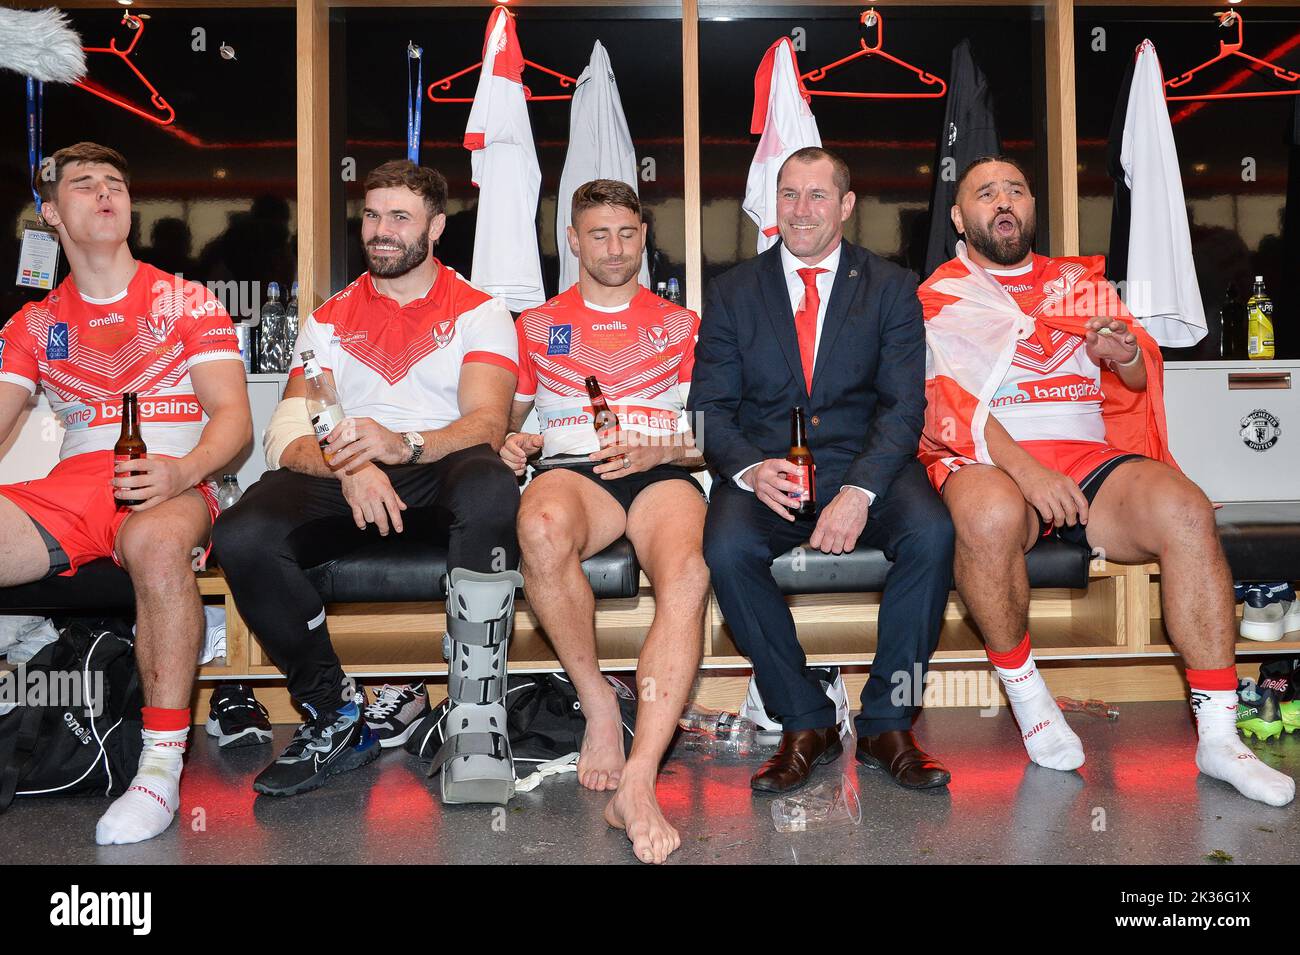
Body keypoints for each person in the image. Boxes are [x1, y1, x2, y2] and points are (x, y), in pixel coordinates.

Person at [918, 155, 1294, 807]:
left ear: (1033, 205)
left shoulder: (1079, 281)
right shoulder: (942, 294)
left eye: (1016, 189)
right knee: (987, 517)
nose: (1003, 202)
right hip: (994, 457)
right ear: (959, 215)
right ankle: (1031, 700)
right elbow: (942, 402)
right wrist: (1029, 472)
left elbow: (1138, 378)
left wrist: (1122, 356)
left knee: (1186, 510)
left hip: (1091, 459)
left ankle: (1219, 735)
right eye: (985, 193)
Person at [212, 160, 523, 800]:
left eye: (399, 217)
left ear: (435, 227)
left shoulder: (481, 312)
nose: (381, 230)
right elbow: (285, 436)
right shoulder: (328, 318)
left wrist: (403, 445)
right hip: (349, 469)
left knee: (491, 485)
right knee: (242, 533)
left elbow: (487, 423)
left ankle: (473, 712)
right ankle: (333, 713)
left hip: (441, 465)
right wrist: (353, 463)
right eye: (372, 215)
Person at [0, 142, 252, 844]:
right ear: (51, 214)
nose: (107, 191)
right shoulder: (34, 323)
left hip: (176, 478)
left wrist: (180, 473)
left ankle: (160, 770)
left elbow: (234, 419)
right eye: (85, 184)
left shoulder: (186, 299)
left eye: (117, 181)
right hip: (73, 486)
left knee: (152, 539)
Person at [690, 146, 955, 795]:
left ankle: (889, 721)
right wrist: (751, 470)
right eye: (789, 194)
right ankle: (805, 718)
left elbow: (903, 406)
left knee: (933, 534)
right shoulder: (732, 290)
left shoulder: (891, 286)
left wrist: (860, 491)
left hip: (864, 464)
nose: (800, 209)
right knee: (725, 545)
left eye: (816, 195)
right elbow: (704, 413)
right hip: (767, 466)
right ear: (773, 203)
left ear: (845, 205)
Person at [502, 179, 707, 864]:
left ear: (642, 235)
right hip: (575, 470)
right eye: (598, 233)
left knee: (689, 569)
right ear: (573, 239)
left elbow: (713, 433)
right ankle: (596, 705)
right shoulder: (535, 324)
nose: (614, 247)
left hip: (660, 469)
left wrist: (667, 446)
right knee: (537, 528)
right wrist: (510, 442)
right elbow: (505, 424)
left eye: (626, 232)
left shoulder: (681, 322)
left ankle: (641, 778)